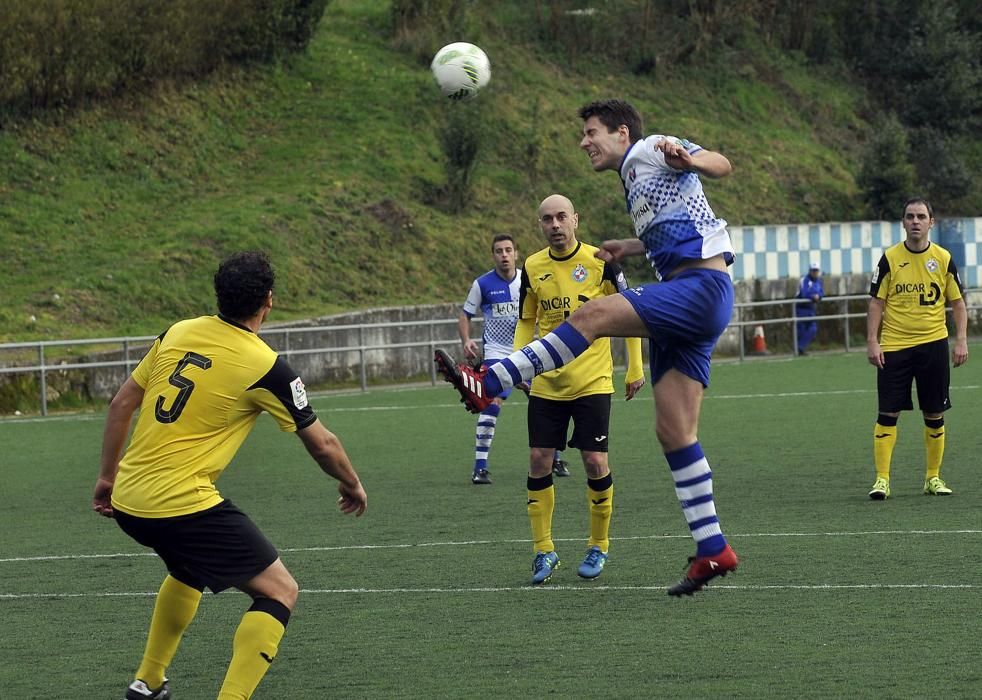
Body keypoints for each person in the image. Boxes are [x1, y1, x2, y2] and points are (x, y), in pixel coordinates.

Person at [435, 99, 739, 596]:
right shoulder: (633, 179)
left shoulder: (648, 150)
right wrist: (631, 246)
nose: (584, 142)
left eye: (591, 132)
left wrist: (690, 157)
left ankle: (488, 382)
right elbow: (686, 224)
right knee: (673, 432)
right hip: (691, 304)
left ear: (622, 132)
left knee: (592, 314)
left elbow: (722, 165)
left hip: (700, 291)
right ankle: (712, 548)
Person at [92, 251, 368, 700]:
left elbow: (121, 404)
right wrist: (351, 483)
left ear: (219, 295)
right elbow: (323, 443)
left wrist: (107, 477)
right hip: (179, 504)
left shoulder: (178, 332)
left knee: (187, 569)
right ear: (269, 302)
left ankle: (149, 681)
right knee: (280, 591)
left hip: (129, 499)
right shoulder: (266, 365)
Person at [511, 193, 644, 583]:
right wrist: (520, 363)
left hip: (593, 379)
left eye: (561, 217)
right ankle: (543, 551)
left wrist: (634, 367)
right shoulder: (532, 267)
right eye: (547, 219)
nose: (554, 225)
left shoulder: (601, 262)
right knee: (538, 459)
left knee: (594, 462)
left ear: (575, 220)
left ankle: (598, 545)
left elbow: (631, 311)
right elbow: (526, 320)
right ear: (540, 225)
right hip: (548, 382)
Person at [866, 197, 968, 500]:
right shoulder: (889, 258)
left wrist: (961, 338)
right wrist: (873, 340)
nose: (915, 221)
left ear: (931, 222)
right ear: (903, 222)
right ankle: (882, 480)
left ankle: (932, 478)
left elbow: (958, 303)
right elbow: (876, 303)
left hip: (934, 344)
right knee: (887, 413)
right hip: (895, 346)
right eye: (910, 216)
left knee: (934, 413)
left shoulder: (944, 258)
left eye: (921, 216)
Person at [457, 234, 570, 484]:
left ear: (516, 254)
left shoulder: (528, 279)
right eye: (499, 251)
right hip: (496, 353)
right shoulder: (482, 284)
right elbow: (465, 314)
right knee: (491, 402)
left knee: (546, 403)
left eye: (508, 250)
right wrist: (466, 340)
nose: (504, 255)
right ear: (493, 255)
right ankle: (480, 467)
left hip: (528, 351)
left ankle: (556, 458)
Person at [794, 261, 824, 355]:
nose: (815, 273)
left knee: (812, 329)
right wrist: (812, 296)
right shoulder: (804, 280)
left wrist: (818, 296)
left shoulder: (819, 281)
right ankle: (799, 349)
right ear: (810, 271)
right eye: (813, 271)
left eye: (816, 271)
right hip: (801, 308)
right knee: (801, 330)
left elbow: (822, 292)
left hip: (810, 308)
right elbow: (803, 293)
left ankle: (800, 347)